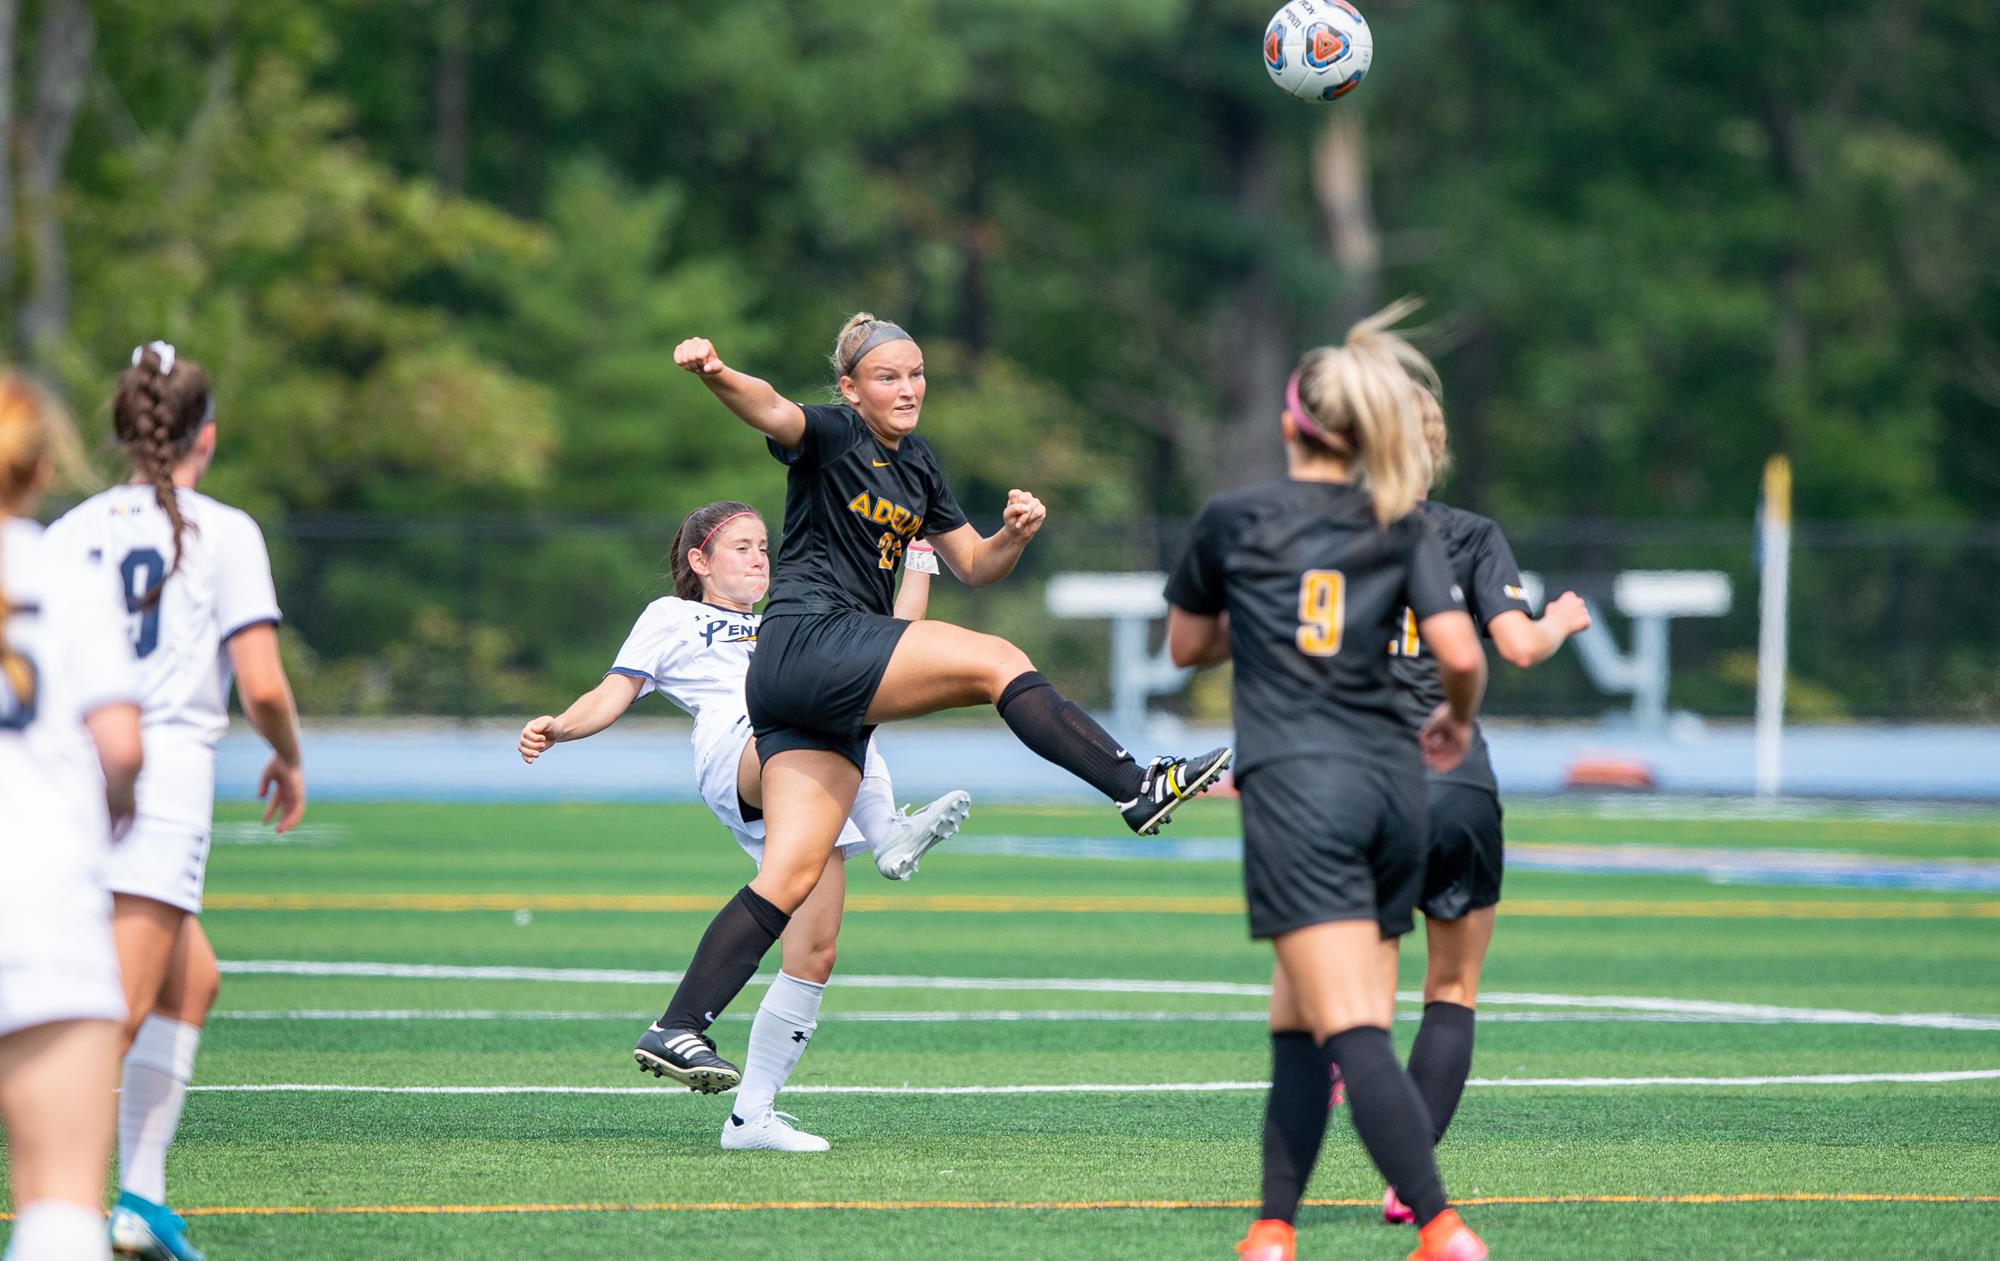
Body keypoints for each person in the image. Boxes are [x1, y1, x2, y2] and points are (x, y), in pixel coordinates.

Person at [638, 315, 1232, 1092]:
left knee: (790, 881)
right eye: (887, 376)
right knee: (995, 662)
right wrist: (716, 371)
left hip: (812, 690)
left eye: (916, 373)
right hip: (810, 642)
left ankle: (679, 1027)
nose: (908, 387)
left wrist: (1015, 533)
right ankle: (1135, 783)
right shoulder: (834, 434)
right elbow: (772, 407)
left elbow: (977, 564)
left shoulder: (917, 464)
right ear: (851, 389)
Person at [1164, 303, 1491, 1261]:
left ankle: (1441, 1226)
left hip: (1298, 790)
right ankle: (1272, 1227)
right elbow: (1462, 655)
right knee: (1297, 1011)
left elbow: (1187, 645)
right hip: (1397, 790)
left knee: (1345, 1013)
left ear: (1290, 422)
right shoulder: (1401, 520)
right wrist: (1457, 717)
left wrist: (1257, 618)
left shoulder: (1236, 517)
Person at [517, 501, 971, 1149]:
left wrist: (922, 552)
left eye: (764, 545)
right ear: (699, 561)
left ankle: (749, 1117)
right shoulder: (671, 615)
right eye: (741, 547)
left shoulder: (788, 617)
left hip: (812, 769)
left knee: (814, 951)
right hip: (742, 750)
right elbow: (612, 692)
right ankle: (888, 831)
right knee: (827, 700)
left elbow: (897, 635)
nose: (760, 557)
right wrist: (560, 726)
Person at [48, 342, 306, 1261]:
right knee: (108, 1011)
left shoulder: (70, 526)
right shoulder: (223, 530)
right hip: (157, 782)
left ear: (122, 427)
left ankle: (138, 1202)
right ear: (207, 433)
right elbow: (263, 685)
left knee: (189, 978)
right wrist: (287, 755)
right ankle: (61, 1218)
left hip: (68, 772)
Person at [1375, 383, 1591, 1227]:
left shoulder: (1330, 537)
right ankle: (1410, 1180)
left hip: (1364, 781)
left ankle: (1338, 1062)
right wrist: (1563, 619)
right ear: (1436, 448)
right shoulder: (1469, 535)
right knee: (1454, 985)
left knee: (1358, 991)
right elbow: (1521, 647)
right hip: (1460, 781)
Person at [0, 375, 142, 1261]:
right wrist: (116, 810)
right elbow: (120, 747)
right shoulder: (68, 573)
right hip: (43, 895)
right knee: (59, 1209)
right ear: (43, 465)